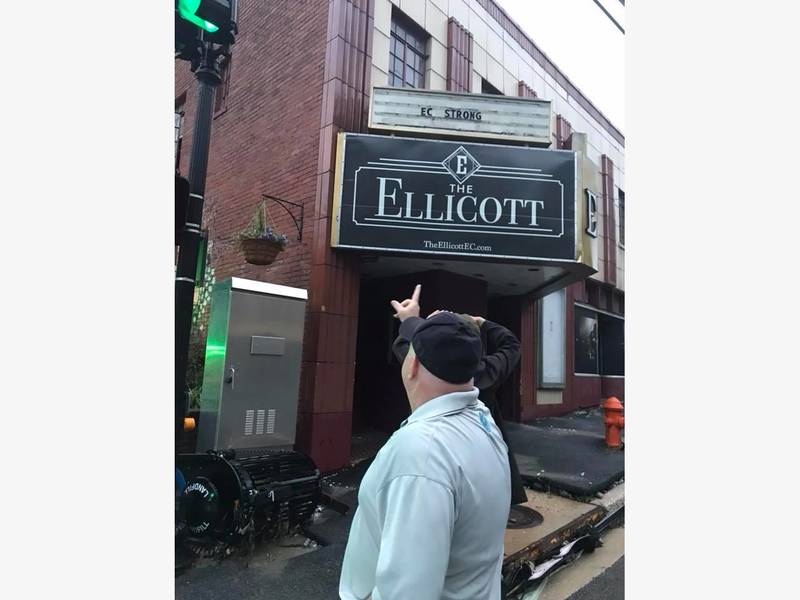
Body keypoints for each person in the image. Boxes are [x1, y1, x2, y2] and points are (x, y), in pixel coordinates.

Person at [339, 285, 511, 600]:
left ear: (413, 364)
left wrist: (413, 323)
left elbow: (407, 592)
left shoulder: (421, 453)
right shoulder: (483, 420)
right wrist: (411, 319)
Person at [392, 302, 528, 507]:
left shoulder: (412, 447)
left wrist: (417, 320)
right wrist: (483, 323)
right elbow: (511, 344)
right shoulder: (488, 373)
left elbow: (406, 344)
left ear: (413, 365)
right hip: (485, 479)